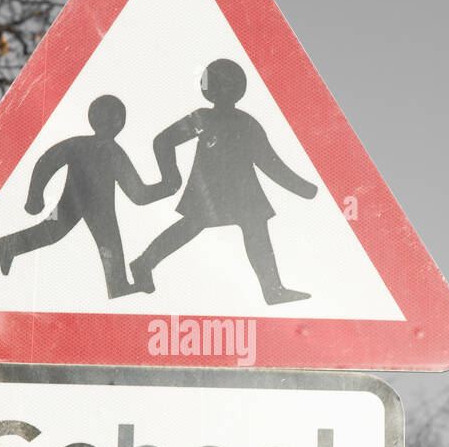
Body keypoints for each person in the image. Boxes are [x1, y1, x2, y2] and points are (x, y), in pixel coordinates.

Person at [130, 59, 317, 304]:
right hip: (211, 189)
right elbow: (162, 141)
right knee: (197, 226)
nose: (226, 91)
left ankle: (273, 290)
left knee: (252, 228)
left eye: (230, 85)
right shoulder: (204, 118)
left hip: (240, 191)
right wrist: (171, 178)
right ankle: (143, 263)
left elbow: (268, 161)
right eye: (222, 85)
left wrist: (304, 188)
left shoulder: (245, 122)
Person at [0, 94, 174, 298]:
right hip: (90, 206)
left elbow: (138, 194)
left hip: (84, 204)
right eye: (116, 117)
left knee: (58, 232)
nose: (117, 122)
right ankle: (118, 285)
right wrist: (34, 196)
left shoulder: (90, 146)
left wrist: (35, 196)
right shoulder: (108, 151)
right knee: (93, 238)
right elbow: (48, 162)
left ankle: (10, 245)